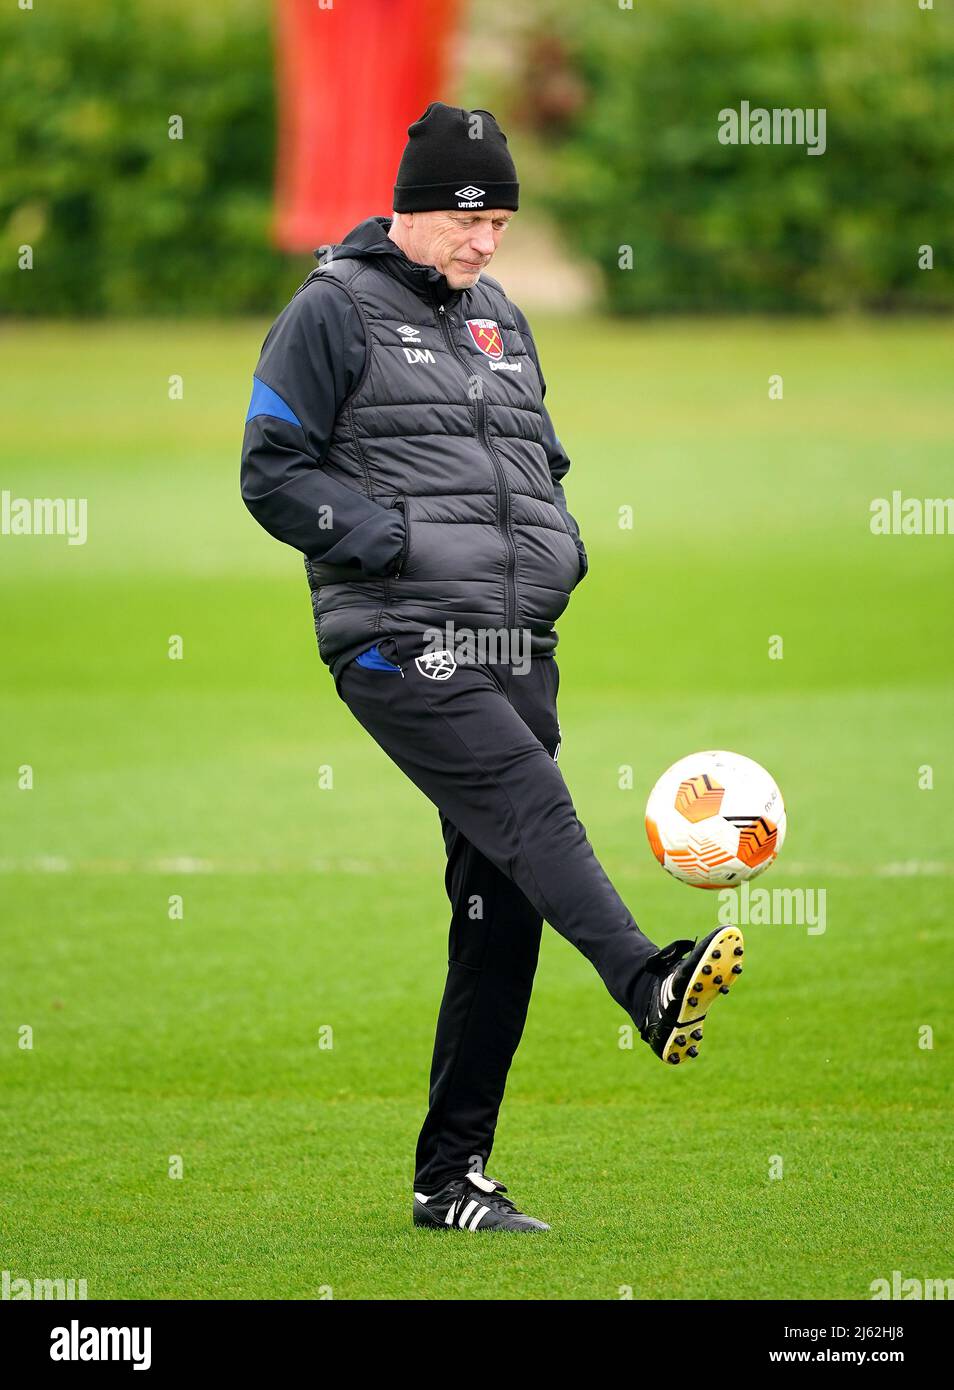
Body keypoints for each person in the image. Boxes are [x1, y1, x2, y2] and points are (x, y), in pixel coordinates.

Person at [241, 101, 744, 1234]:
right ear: (414, 209)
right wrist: (391, 545)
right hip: (399, 635)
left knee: (501, 899)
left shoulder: (501, 315)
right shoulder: (330, 310)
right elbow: (272, 470)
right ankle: (646, 980)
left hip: (518, 641)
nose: (484, 242)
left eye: (502, 220)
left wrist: (560, 549)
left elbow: (535, 459)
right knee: (532, 803)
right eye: (470, 219)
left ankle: (449, 1178)